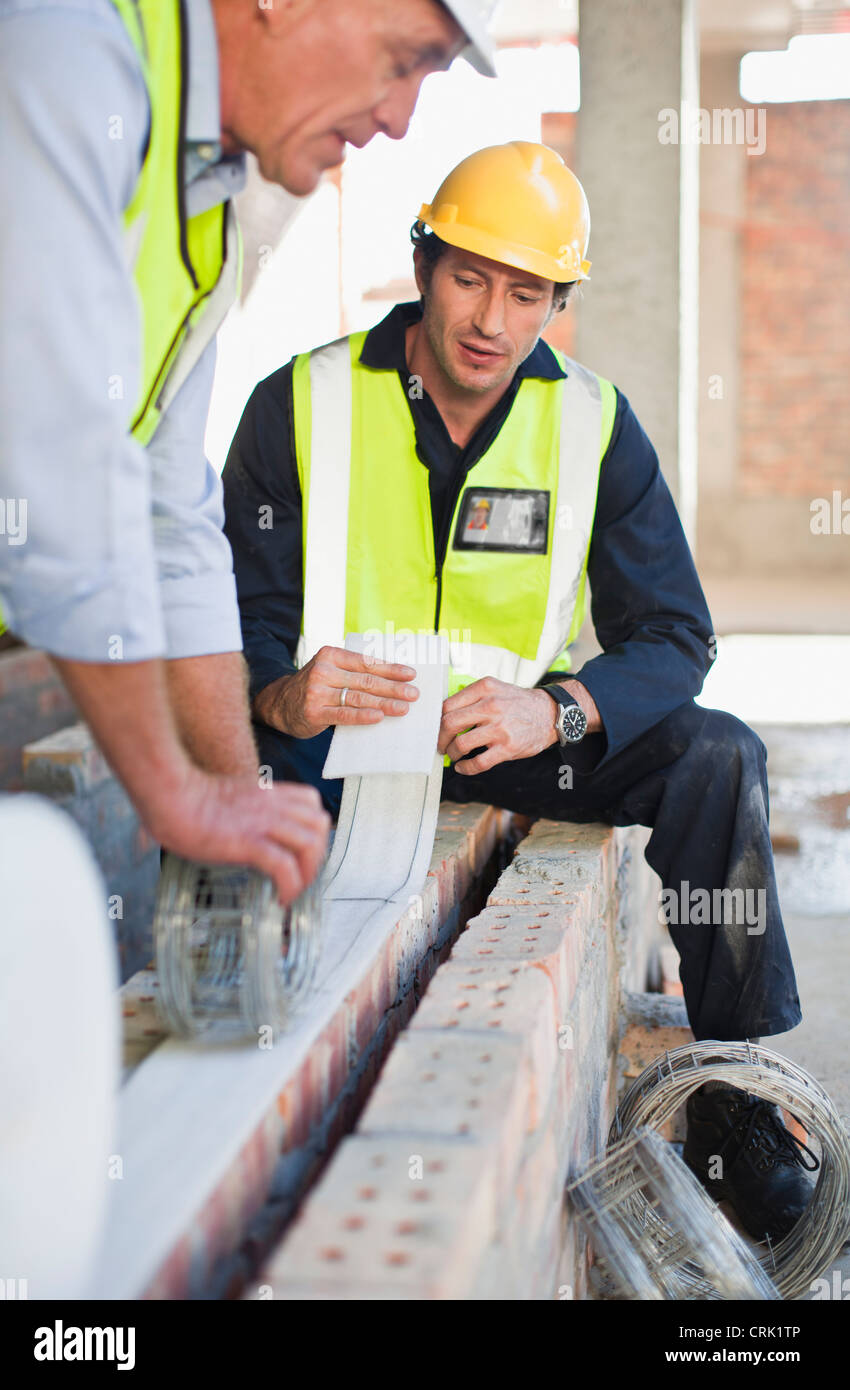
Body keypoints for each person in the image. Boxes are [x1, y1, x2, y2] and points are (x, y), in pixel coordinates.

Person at [222, 141, 816, 1242]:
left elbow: (674, 633)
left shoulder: (591, 424)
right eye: (468, 277)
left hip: (510, 743)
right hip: (331, 754)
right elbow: (232, 623)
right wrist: (283, 696)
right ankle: (222, 1048)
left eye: (526, 290)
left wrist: (562, 710)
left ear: (557, 300)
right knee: (222, 805)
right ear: (422, 265)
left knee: (716, 757)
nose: (491, 317)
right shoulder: (295, 407)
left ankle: (733, 1106)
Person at [0, 0, 497, 901]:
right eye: (405, 60)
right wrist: (174, 794)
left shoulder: (205, 204)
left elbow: (169, 521)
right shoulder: (60, 51)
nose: (400, 118)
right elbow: (56, 471)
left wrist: (236, 796)